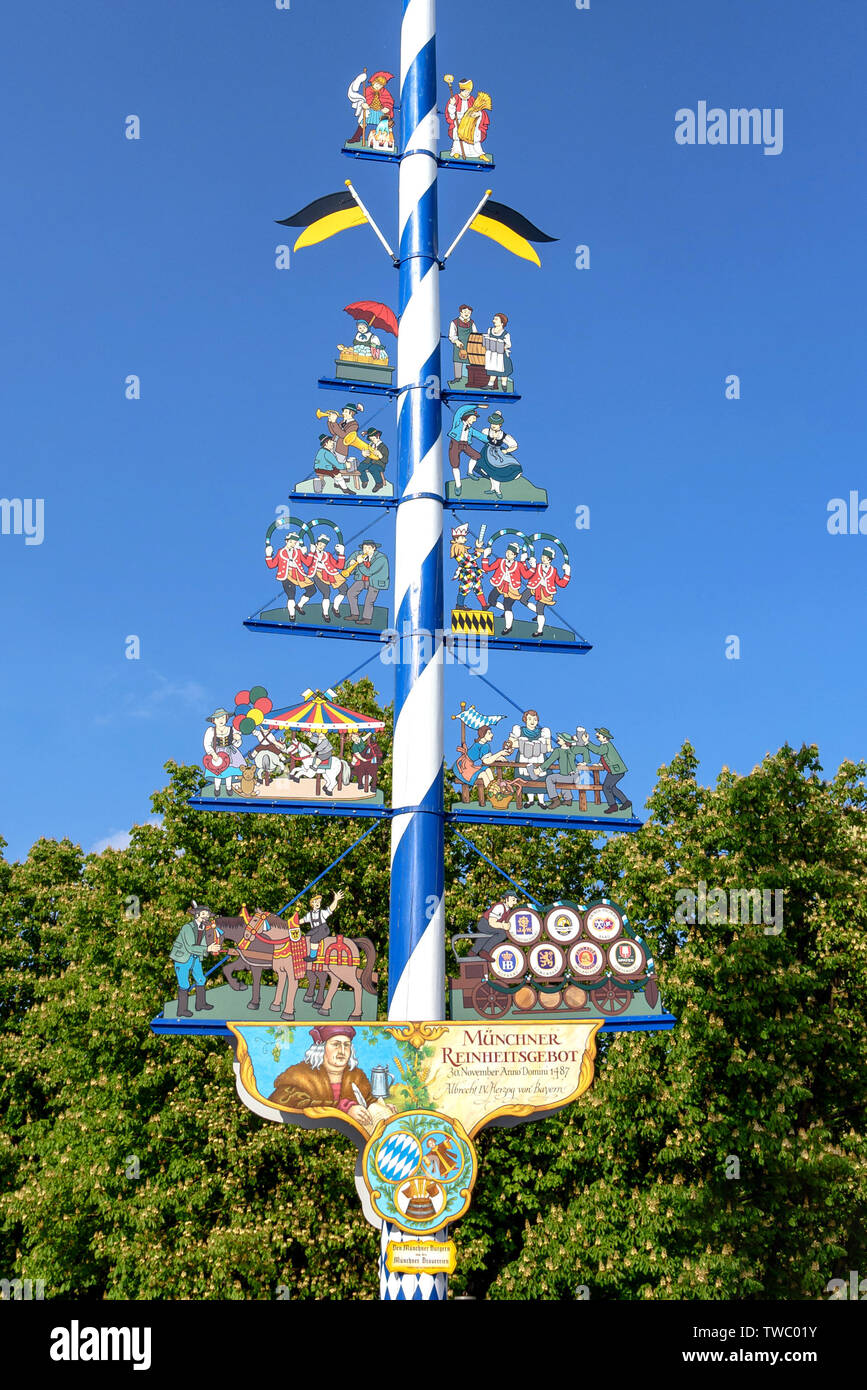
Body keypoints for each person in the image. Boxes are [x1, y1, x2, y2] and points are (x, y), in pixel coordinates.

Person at [268, 1024, 393, 1133]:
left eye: (346, 1045)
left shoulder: (356, 1076)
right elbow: (287, 1101)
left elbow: (367, 1101)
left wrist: (381, 1108)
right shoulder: (299, 1074)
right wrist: (343, 1109)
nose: (342, 1051)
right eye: (336, 1045)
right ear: (321, 1048)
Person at [170, 905, 222, 1018]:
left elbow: (204, 943)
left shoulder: (204, 928)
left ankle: (200, 1004)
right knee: (184, 983)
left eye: (207, 915)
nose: (206, 917)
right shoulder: (187, 928)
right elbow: (190, 946)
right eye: (203, 914)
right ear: (197, 915)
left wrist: (211, 947)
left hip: (196, 957)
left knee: (201, 979)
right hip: (182, 958)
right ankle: (182, 1010)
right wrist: (207, 949)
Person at [480, 540, 534, 633]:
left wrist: (532, 567)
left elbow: (526, 575)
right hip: (500, 584)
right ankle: (505, 611)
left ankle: (508, 627)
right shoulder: (500, 561)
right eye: (507, 552)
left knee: (508, 606)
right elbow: (487, 568)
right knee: (491, 600)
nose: (508, 555)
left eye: (511, 553)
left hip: (512, 588)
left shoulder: (518, 565)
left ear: (515, 555)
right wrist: (485, 556)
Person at [264, 531, 315, 621]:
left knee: (312, 589)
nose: (293, 544)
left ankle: (299, 605)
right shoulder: (281, 552)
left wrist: (311, 553)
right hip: (286, 575)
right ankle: (292, 614)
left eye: (295, 542)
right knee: (291, 595)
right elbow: (272, 565)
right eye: (291, 542)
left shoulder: (298, 552)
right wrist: (268, 555)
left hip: (299, 574)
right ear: (286, 541)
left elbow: (308, 563)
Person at [539, 729, 594, 809]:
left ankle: (555, 800)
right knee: (562, 778)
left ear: (564, 741)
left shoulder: (558, 751)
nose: (557, 739)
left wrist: (540, 769)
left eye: (559, 738)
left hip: (569, 776)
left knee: (550, 778)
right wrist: (585, 762)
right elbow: (584, 750)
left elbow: (549, 761)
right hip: (575, 776)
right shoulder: (572, 749)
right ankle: (568, 799)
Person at [583, 727, 633, 815]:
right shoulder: (605, 746)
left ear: (605, 738)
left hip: (616, 771)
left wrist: (587, 742)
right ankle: (625, 802)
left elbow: (598, 751)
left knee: (606, 787)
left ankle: (613, 806)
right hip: (615, 771)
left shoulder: (606, 745)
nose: (597, 738)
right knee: (612, 787)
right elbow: (604, 757)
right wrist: (600, 764)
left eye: (598, 737)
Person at [521, 546, 570, 635]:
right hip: (534, 587)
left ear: (549, 559)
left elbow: (561, 583)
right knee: (522, 599)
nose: (543, 558)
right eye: (542, 556)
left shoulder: (553, 570)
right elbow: (527, 573)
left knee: (540, 610)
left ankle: (540, 630)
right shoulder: (538, 566)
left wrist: (567, 573)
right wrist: (526, 562)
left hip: (546, 592)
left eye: (545, 557)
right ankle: (538, 613)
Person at [472, 412, 523, 497]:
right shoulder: (486, 431)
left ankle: (498, 490)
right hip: (487, 453)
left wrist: (506, 451)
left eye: (495, 424)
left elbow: (514, 445)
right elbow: (482, 438)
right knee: (490, 470)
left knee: (497, 470)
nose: (493, 425)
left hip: (499, 454)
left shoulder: (503, 435)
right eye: (492, 423)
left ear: (500, 424)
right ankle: (493, 488)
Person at [341, 539, 390, 625]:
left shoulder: (381, 558)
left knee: (369, 600)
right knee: (351, 593)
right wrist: (350, 563)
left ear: (373, 548)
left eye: (368, 548)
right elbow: (346, 566)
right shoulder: (357, 554)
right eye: (364, 548)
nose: (366, 550)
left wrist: (360, 563)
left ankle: (367, 619)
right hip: (362, 579)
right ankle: (354, 614)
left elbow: (369, 572)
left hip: (375, 581)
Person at [203, 707, 246, 797]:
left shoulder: (231, 729)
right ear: (214, 720)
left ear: (226, 718)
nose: (221, 720)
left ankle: (229, 787)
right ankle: (217, 787)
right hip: (217, 753)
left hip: (230, 753)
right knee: (218, 771)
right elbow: (207, 744)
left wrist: (237, 739)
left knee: (229, 771)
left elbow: (236, 744)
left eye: (223, 717)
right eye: (218, 718)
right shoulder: (211, 731)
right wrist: (213, 754)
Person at [305, 533, 347, 623]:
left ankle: (335, 607)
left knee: (344, 589)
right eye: (320, 545)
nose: (321, 547)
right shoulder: (311, 554)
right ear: (316, 544)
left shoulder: (327, 555)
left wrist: (341, 553)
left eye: (323, 545)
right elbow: (307, 563)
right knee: (326, 592)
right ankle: (325, 613)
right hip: (318, 574)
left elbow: (339, 565)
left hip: (330, 573)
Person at [346, 69, 395, 147]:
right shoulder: (368, 90)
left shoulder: (384, 92)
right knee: (363, 123)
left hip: (380, 112)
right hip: (370, 111)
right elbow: (363, 99)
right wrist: (363, 104)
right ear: (373, 82)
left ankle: (385, 140)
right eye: (377, 83)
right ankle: (356, 137)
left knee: (384, 125)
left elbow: (389, 101)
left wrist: (387, 107)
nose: (378, 86)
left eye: (380, 85)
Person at [447, 403, 485, 492]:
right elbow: (461, 410)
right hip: (455, 444)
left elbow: (480, 436)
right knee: (455, 465)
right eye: (473, 418)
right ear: (467, 417)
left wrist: (493, 440)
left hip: (465, 445)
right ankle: (458, 485)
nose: (474, 420)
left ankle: (470, 472)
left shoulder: (470, 429)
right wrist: (477, 406)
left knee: (476, 456)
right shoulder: (458, 423)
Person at [450, 523, 488, 608]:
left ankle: (484, 605)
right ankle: (460, 605)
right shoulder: (458, 551)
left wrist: (478, 549)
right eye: (463, 537)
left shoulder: (462, 550)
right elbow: (470, 559)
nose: (465, 539)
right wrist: (478, 549)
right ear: (456, 539)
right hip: (467, 573)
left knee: (478, 589)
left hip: (474, 573)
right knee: (464, 589)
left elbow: (471, 559)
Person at [448, 304, 477, 387]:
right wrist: (456, 341)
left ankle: (469, 378)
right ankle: (458, 377)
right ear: (461, 312)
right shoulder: (455, 322)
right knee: (458, 361)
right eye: (465, 311)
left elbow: (475, 333)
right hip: (459, 345)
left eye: (469, 312)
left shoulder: (472, 323)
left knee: (470, 361)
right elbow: (452, 334)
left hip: (469, 345)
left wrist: (474, 342)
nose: (467, 313)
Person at [445, 79, 475, 157]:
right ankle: (457, 152)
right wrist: (452, 105)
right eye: (466, 92)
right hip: (459, 121)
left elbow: (475, 109)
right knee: (458, 137)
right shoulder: (456, 98)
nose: (467, 94)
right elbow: (451, 114)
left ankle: (472, 153)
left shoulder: (471, 99)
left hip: (469, 122)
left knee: (470, 136)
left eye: (469, 92)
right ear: (462, 90)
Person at [484, 313, 513, 391]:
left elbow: (508, 344)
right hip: (492, 353)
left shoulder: (505, 333)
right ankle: (490, 384)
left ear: (502, 322)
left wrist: (503, 346)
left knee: (503, 372)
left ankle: (504, 385)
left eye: (496, 319)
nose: (494, 321)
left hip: (501, 354)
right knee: (493, 370)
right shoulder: (490, 330)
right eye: (494, 319)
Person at [356, 427, 388, 492]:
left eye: (373, 438)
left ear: (378, 436)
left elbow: (385, 461)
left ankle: (379, 483)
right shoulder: (371, 445)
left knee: (373, 468)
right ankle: (365, 480)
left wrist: (380, 455)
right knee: (360, 467)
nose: (372, 440)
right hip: (368, 461)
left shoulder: (383, 447)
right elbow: (368, 455)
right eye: (371, 439)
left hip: (379, 463)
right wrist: (364, 454)